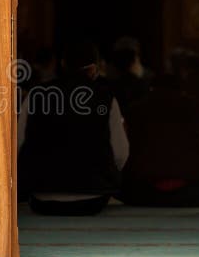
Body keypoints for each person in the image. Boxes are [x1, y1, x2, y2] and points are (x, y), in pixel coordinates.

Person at [18, 40, 128, 215]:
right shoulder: (106, 98)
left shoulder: (36, 95)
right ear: (93, 69)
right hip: (93, 199)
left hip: (42, 197)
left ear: (62, 64)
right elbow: (120, 154)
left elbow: (18, 145)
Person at [117, 75, 199, 207]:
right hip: (193, 186)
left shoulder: (134, 110)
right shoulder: (198, 108)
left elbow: (121, 144)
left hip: (142, 189)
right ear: (182, 90)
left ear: (151, 89)